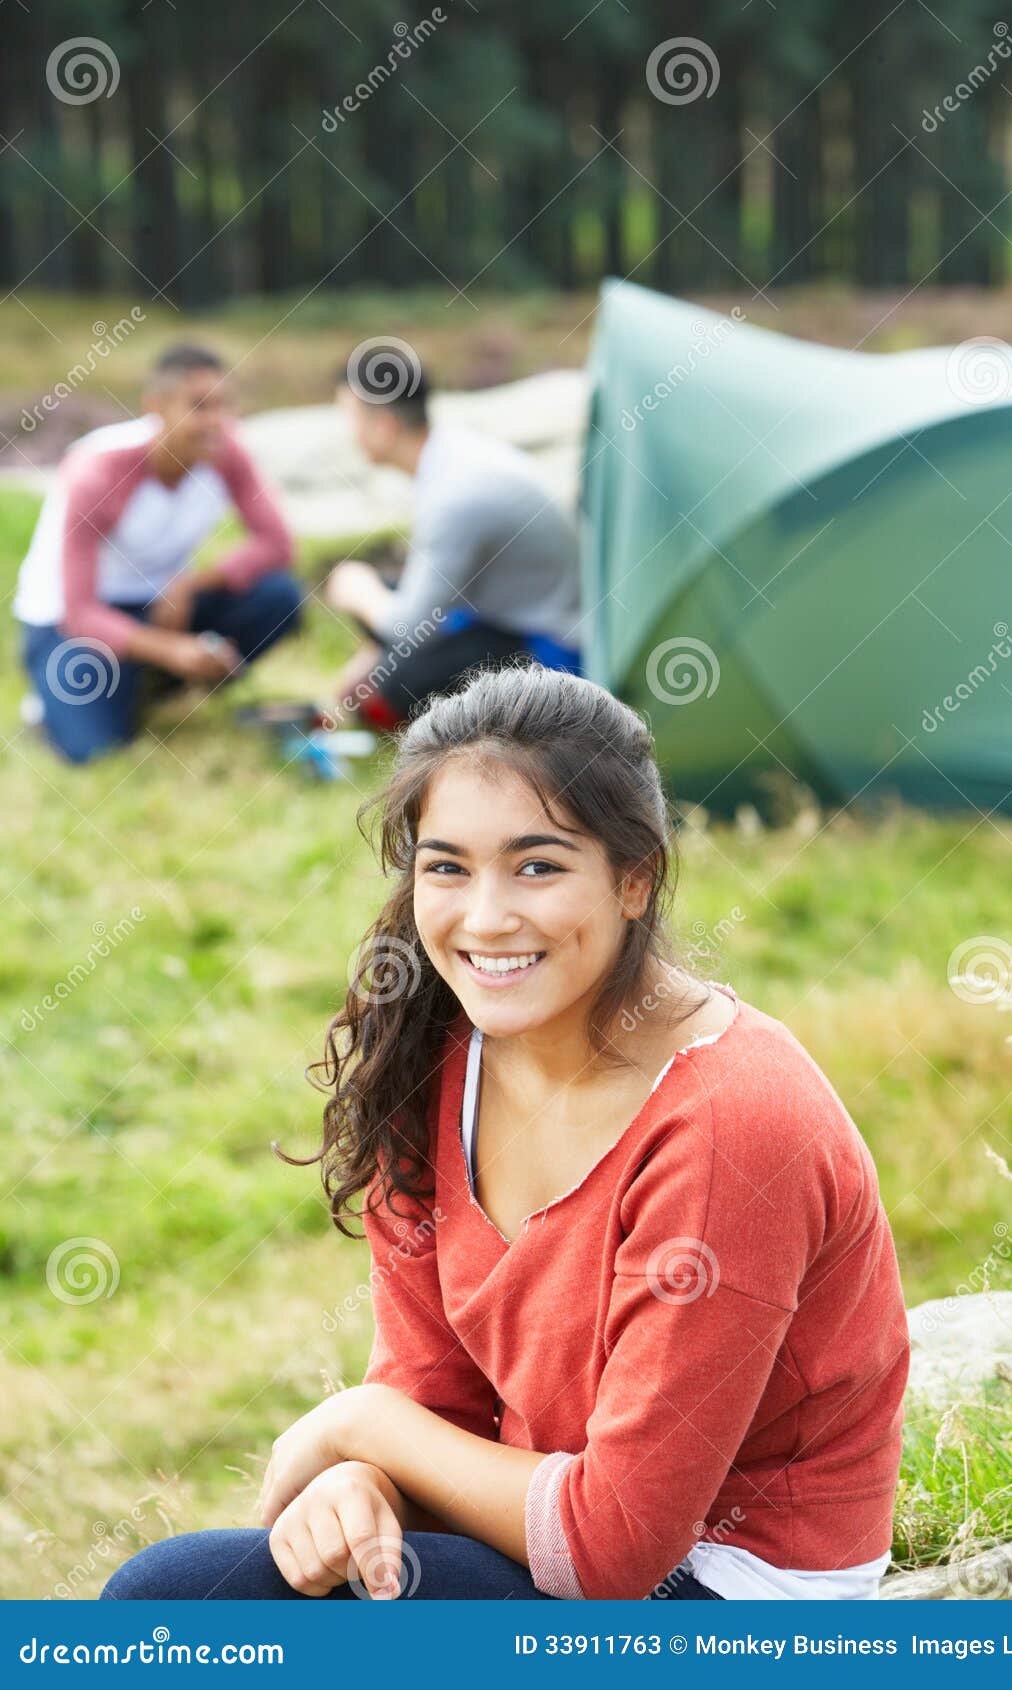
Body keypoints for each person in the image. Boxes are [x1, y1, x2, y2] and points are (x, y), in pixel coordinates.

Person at [100, 664, 909, 1602]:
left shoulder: (732, 1124)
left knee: (168, 1606)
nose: (485, 920)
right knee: (179, 1601)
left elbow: (614, 1551)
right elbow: (431, 1397)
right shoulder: (434, 1056)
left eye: (538, 865)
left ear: (635, 880)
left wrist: (360, 1428)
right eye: (446, 866)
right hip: (543, 1515)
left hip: (728, 1588)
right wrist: (366, 1480)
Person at [14, 344, 302, 764]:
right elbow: (79, 612)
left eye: (224, 405)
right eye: (199, 406)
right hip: (72, 625)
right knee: (94, 750)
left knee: (278, 597)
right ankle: (68, 697)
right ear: (156, 407)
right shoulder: (98, 473)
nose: (216, 421)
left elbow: (277, 544)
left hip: (159, 604)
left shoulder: (227, 453)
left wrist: (191, 583)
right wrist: (170, 650)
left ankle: (147, 683)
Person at [324, 345, 583, 730]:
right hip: (496, 612)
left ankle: (416, 716)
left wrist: (356, 592)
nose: (350, 435)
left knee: (396, 681)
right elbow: (432, 596)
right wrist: (371, 656)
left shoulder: (455, 493)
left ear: (383, 426)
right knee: (384, 597)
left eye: (350, 418)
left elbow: (409, 626)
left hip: (547, 645)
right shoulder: (452, 455)